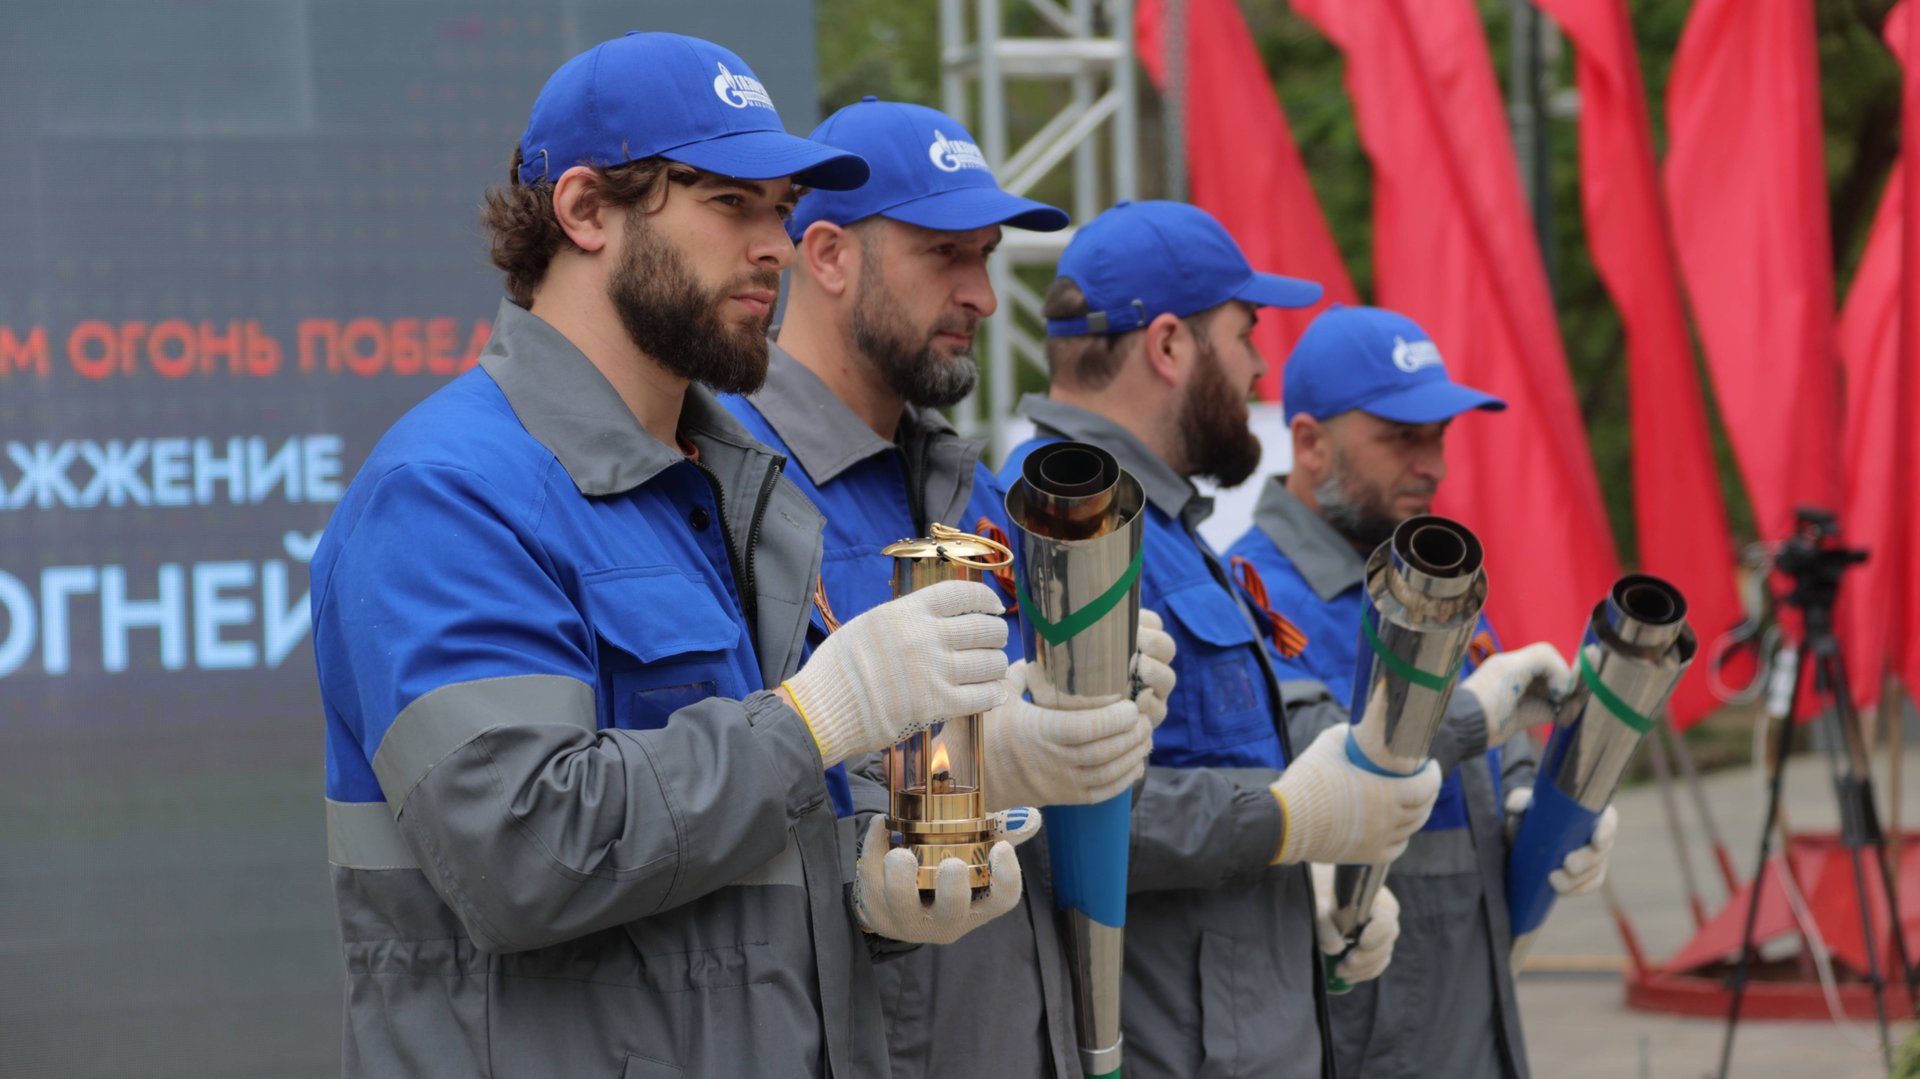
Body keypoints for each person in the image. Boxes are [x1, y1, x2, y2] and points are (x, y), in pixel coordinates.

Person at [312, 34, 1032, 1078]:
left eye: (782, 209)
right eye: (731, 202)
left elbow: (729, 854)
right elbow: (525, 851)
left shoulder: (727, 487)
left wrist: (868, 882)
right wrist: (812, 720)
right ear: (585, 210)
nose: (776, 246)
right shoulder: (446, 490)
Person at [721, 97, 1175, 1079]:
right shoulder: (729, 481)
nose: (984, 296)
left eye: (988, 257)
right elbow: (719, 791)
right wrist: (968, 768)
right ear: (828, 256)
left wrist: (1093, 702)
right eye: (945, 255)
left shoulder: (972, 490)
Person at [1006, 200, 1445, 1079]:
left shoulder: (1160, 526)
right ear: (1169, 346)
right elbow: (1050, 818)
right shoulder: (1060, 525)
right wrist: (1286, 818)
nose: (1258, 368)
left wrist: (1301, 875)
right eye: (1244, 334)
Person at [1225, 304, 1618, 1078]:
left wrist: (1534, 805)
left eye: (1438, 436)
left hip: (1473, 1021)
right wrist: (1476, 716)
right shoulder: (1248, 594)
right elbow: (1326, 764)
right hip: (1360, 1037)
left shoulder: (1431, 581)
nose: (1432, 464)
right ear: (1310, 441)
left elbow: (1496, 739)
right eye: (1402, 437)